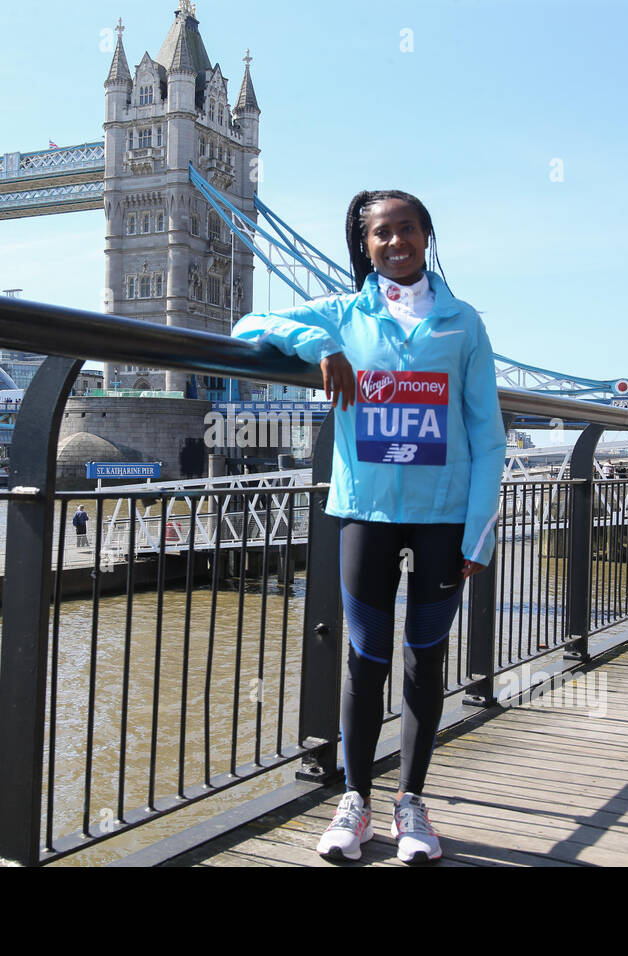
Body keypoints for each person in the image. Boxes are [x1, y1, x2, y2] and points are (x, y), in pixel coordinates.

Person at [232, 189, 504, 864]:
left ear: (426, 236)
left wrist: (479, 532)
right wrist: (319, 344)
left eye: (407, 230)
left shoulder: (463, 323)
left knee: (426, 659)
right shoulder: (343, 315)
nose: (395, 242)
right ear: (367, 244)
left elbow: (489, 434)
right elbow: (246, 323)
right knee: (365, 658)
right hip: (367, 513)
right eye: (382, 233)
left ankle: (411, 802)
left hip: (444, 516)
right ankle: (353, 801)